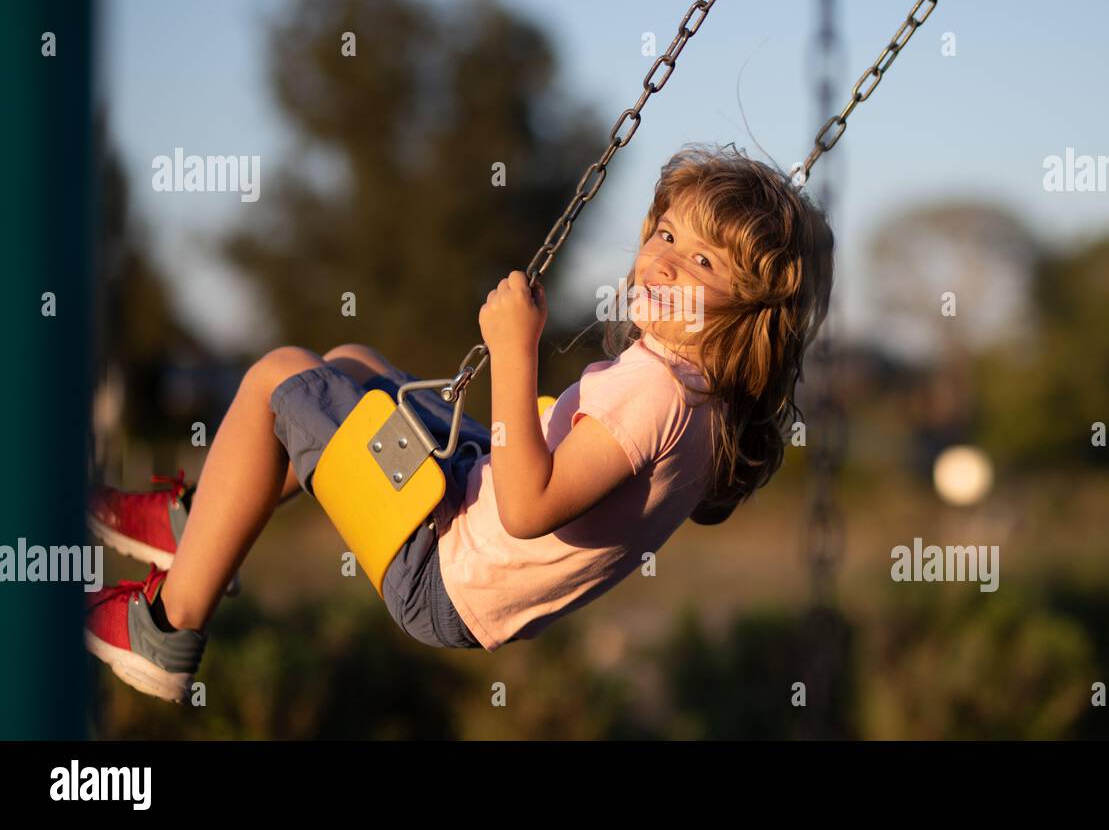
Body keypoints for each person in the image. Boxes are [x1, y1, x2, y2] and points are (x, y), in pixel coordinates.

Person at [85, 142, 835, 703]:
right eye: (667, 235)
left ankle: (167, 629)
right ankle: (199, 523)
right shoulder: (708, 401)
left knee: (277, 377)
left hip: (445, 566)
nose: (664, 264)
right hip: (474, 523)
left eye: (704, 262)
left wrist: (516, 351)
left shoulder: (659, 392)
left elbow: (529, 505)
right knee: (350, 364)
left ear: (751, 307)